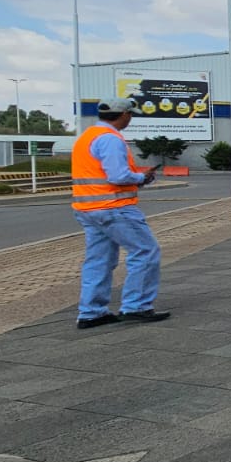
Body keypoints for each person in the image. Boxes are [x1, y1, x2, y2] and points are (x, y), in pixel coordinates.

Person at [71, 97, 168, 329]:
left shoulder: (87, 136)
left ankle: (91, 312)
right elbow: (117, 176)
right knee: (145, 251)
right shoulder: (111, 139)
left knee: (99, 259)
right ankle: (136, 306)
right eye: (130, 114)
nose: (130, 119)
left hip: (88, 208)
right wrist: (141, 177)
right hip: (114, 207)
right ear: (124, 114)